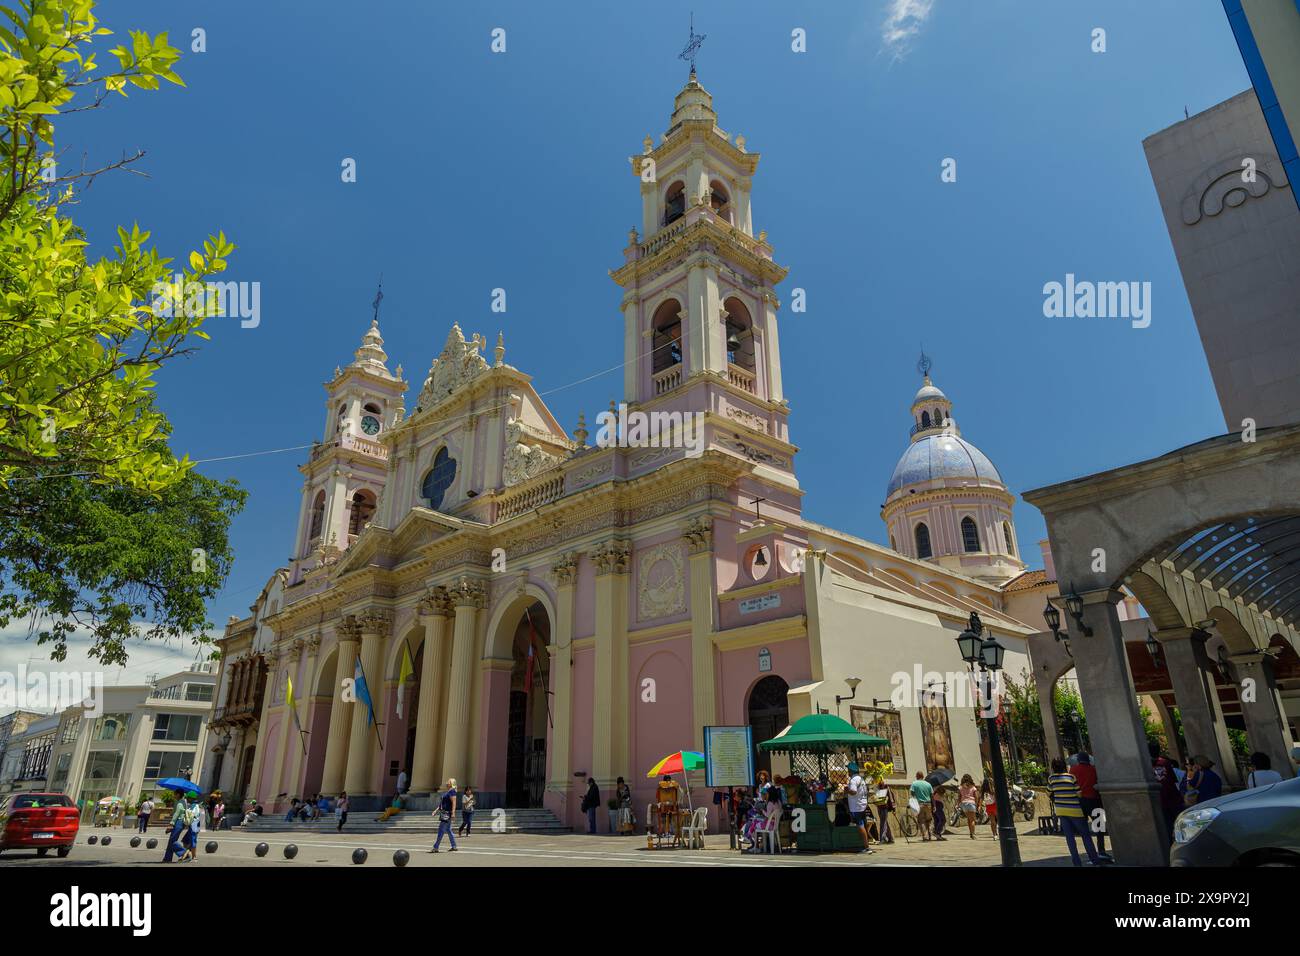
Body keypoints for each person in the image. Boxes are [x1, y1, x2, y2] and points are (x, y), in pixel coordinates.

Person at [1048, 757, 1100, 866]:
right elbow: (1079, 793)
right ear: (1064, 766)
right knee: (1085, 835)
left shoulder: (1051, 779)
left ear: (1053, 767)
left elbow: (1049, 792)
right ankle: (1095, 860)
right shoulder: (1071, 777)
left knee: (1069, 838)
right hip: (1075, 810)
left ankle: (1076, 862)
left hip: (1061, 811)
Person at [1070, 752, 1108, 859]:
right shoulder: (1094, 769)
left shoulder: (1073, 770)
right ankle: (1101, 850)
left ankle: (1091, 853)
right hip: (1094, 800)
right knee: (1099, 827)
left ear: (1078, 760)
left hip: (1080, 801)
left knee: (1084, 829)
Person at [1149, 741, 1183, 839]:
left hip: (1158, 799)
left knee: (1165, 824)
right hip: (1172, 797)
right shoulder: (1165, 762)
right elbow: (1173, 780)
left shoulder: (1146, 764)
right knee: (1177, 822)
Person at [845, 762, 875, 854]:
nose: (848, 772)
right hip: (862, 805)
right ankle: (866, 845)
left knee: (860, 826)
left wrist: (847, 790)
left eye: (848, 770)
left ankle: (866, 848)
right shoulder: (861, 779)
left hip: (856, 806)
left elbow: (853, 792)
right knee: (863, 825)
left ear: (851, 770)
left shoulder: (854, 780)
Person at [431, 778, 459, 852]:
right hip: (444, 812)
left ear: (452, 783)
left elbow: (454, 802)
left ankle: (436, 847)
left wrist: (453, 813)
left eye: (448, 782)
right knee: (448, 830)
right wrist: (436, 810)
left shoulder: (452, 791)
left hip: (447, 813)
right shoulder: (448, 792)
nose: (447, 783)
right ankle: (454, 846)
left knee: (441, 830)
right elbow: (442, 804)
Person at [162, 797, 190, 863]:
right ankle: (167, 858)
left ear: (178, 794)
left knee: (172, 840)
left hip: (178, 822)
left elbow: (177, 813)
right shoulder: (183, 802)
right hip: (180, 823)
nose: (174, 795)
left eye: (175, 793)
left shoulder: (180, 803)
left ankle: (185, 852)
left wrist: (171, 823)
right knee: (171, 840)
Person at [909, 772, 934, 842]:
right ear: (923, 776)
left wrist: (913, 803)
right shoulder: (928, 784)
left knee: (922, 821)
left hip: (920, 804)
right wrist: (934, 805)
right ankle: (930, 835)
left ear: (917, 776)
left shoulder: (914, 783)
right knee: (929, 820)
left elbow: (912, 794)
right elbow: (932, 795)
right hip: (928, 804)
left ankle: (925, 837)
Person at [872, 776, 895, 844]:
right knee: (884, 822)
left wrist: (893, 809)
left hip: (885, 807)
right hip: (879, 807)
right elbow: (876, 797)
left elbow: (891, 798)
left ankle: (882, 838)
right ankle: (890, 838)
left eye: (880, 780)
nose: (879, 782)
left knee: (883, 822)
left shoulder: (886, 787)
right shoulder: (877, 788)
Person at [958, 774, 979, 840]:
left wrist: (958, 804)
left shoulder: (960, 787)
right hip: (971, 803)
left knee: (969, 819)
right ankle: (973, 834)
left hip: (964, 804)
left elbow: (959, 797)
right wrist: (976, 803)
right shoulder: (973, 787)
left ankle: (970, 833)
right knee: (972, 820)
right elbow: (976, 796)